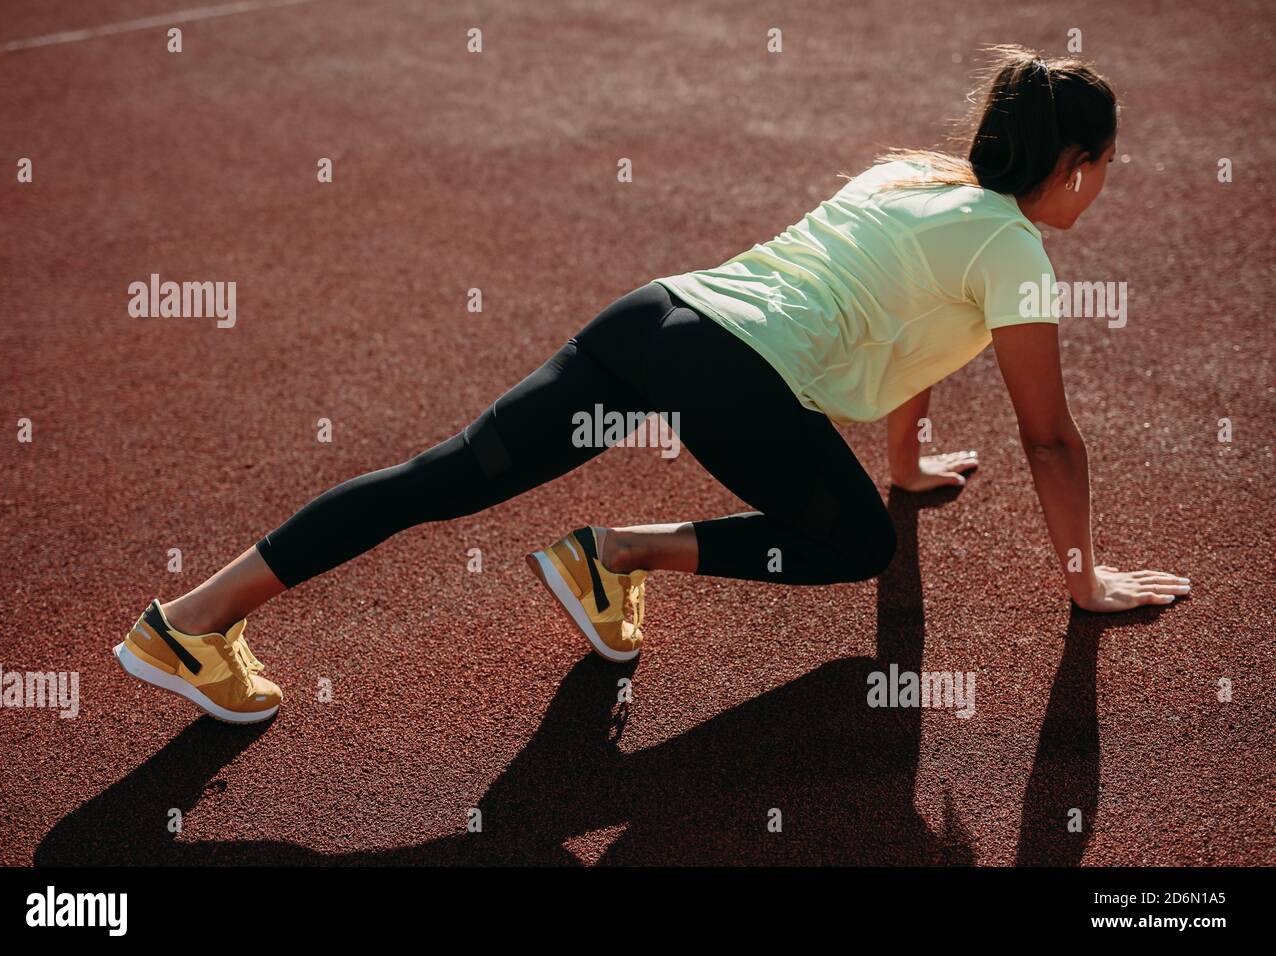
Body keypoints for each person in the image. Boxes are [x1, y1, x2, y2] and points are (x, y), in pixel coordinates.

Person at [113, 45, 1189, 723]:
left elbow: (909, 329)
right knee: (854, 544)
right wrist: (1082, 577)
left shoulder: (912, 178)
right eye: (1103, 172)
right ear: (1076, 166)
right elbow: (1048, 439)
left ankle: (192, 617)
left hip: (651, 318)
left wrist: (903, 460)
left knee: (443, 476)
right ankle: (615, 551)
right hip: (732, 370)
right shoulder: (1013, 254)